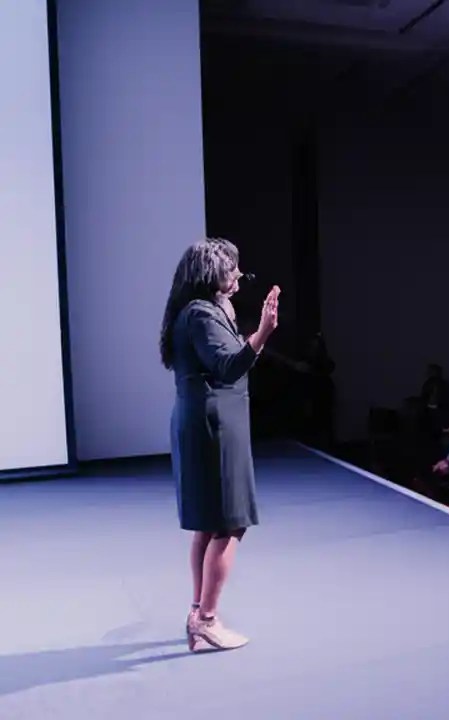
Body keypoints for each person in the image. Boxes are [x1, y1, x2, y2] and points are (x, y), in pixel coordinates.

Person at [161, 238, 279, 652]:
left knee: (209, 522)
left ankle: (198, 612)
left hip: (207, 419)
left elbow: (227, 361)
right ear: (212, 273)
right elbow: (229, 367)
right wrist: (263, 332)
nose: (238, 276)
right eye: (231, 268)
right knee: (230, 522)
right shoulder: (201, 314)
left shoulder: (199, 311)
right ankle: (207, 619)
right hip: (214, 424)